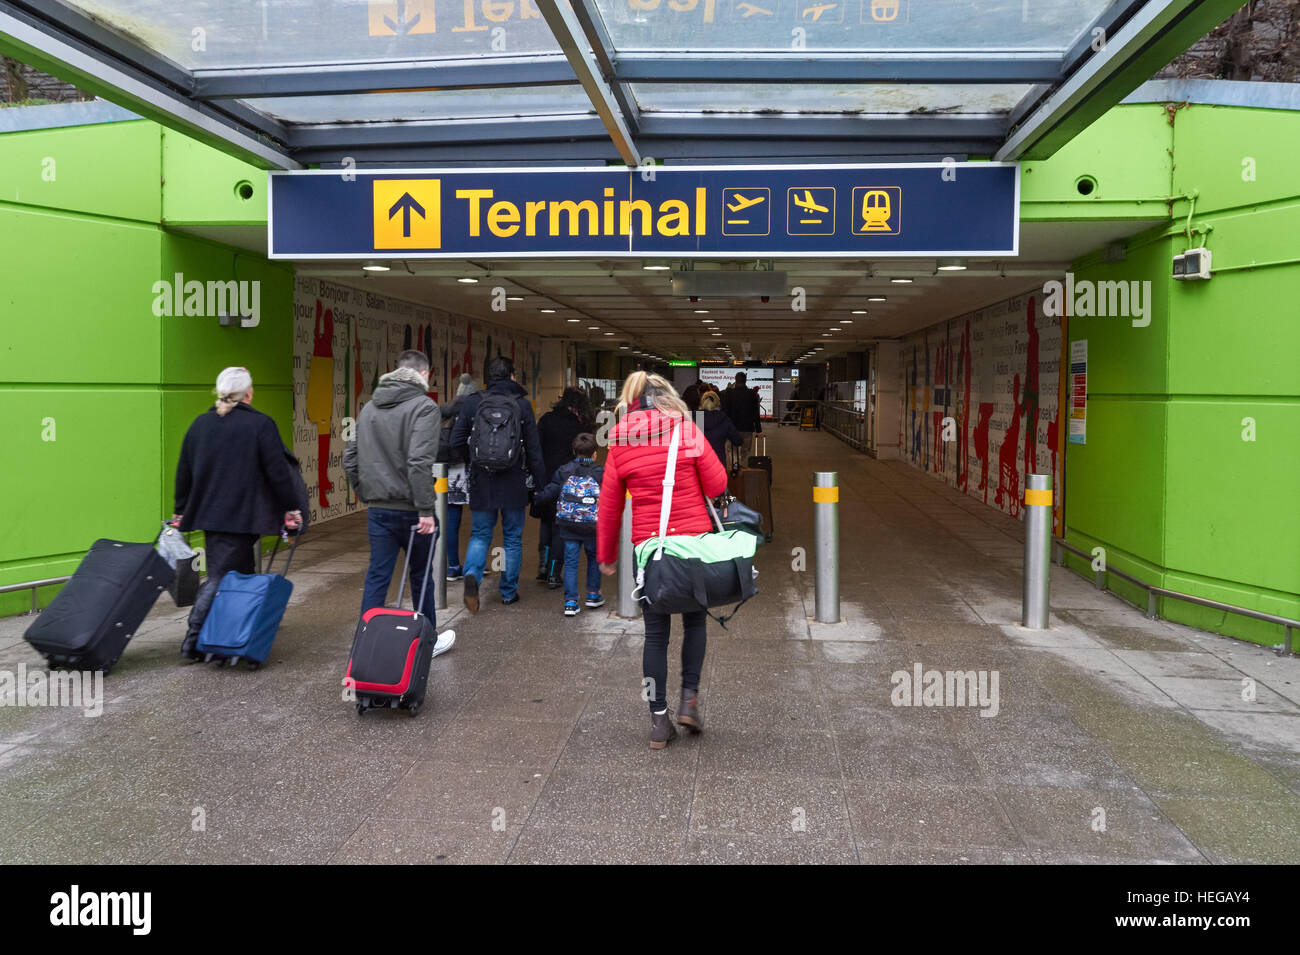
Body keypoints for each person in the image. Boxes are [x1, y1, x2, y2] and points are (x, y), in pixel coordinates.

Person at [596, 372, 728, 749]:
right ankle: (689, 700)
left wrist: (606, 556)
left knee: (655, 636)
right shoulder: (685, 430)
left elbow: (608, 507)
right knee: (695, 623)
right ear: (667, 399)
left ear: (632, 401)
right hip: (694, 547)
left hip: (651, 553)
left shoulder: (619, 437)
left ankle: (659, 721)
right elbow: (718, 485)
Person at [172, 366, 306, 661]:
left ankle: (230, 635)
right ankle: (193, 639)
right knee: (221, 577)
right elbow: (277, 473)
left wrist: (180, 510)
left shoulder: (200, 424)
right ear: (249, 393)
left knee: (241, 575)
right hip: (243, 516)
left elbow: (183, 472)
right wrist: (290, 508)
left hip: (210, 515)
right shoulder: (260, 425)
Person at [344, 351, 454, 659]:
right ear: (425, 375)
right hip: (412, 511)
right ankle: (425, 642)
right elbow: (419, 462)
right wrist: (424, 510)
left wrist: (366, 493)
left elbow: (349, 459)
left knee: (377, 577)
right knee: (421, 577)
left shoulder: (368, 408)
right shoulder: (424, 407)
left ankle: (365, 642)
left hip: (378, 510)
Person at [451, 355, 546, 612]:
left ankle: (472, 575)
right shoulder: (522, 405)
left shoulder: (473, 403)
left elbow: (456, 441)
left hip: (482, 479)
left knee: (481, 534)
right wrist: (540, 484)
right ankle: (507, 592)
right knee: (513, 537)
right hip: (513, 480)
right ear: (511, 376)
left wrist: (471, 460)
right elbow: (534, 450)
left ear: (488, 377)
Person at [535, 432, 604, 617]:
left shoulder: (564, 470)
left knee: (571, 563)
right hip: (592, 526)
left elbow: (551, 491)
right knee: (594, 559)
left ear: (574, 451)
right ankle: (592, 595)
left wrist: (536, 498)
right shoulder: (600, 473)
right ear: (595, 453)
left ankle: (571, 602)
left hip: (568, 525)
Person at [533, 387, 594, 588]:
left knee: (546, 522)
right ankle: (553, 572)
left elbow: (536, 448)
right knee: (560, 527)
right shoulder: (579, 424)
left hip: (546, 477)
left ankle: (543, 566)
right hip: (570, 479)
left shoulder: (546, 419)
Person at [438, 373, 478, 581]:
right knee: (482, 522)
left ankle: (452, 565)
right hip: (468, 469)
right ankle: (474, 565)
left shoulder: (444, 410)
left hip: (446, 471)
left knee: (450, 519)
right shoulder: (474, 411)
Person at [725, 372, 763, 470]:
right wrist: (759, 430)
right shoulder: (751, 394)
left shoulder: (729, 394)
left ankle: (735, 464)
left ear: (735, 380)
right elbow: (755, 413)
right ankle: (740, 465)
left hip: (733, 428)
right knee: (745, 450)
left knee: (732, 449)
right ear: (745, 381)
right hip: (747, 428)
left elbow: (726, 412)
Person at [697, 390, 743, 469]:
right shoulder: (723, 418)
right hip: (718, 464)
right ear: (718, 403)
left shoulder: (696, 418)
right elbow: (738, 440)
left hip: (699, 465)